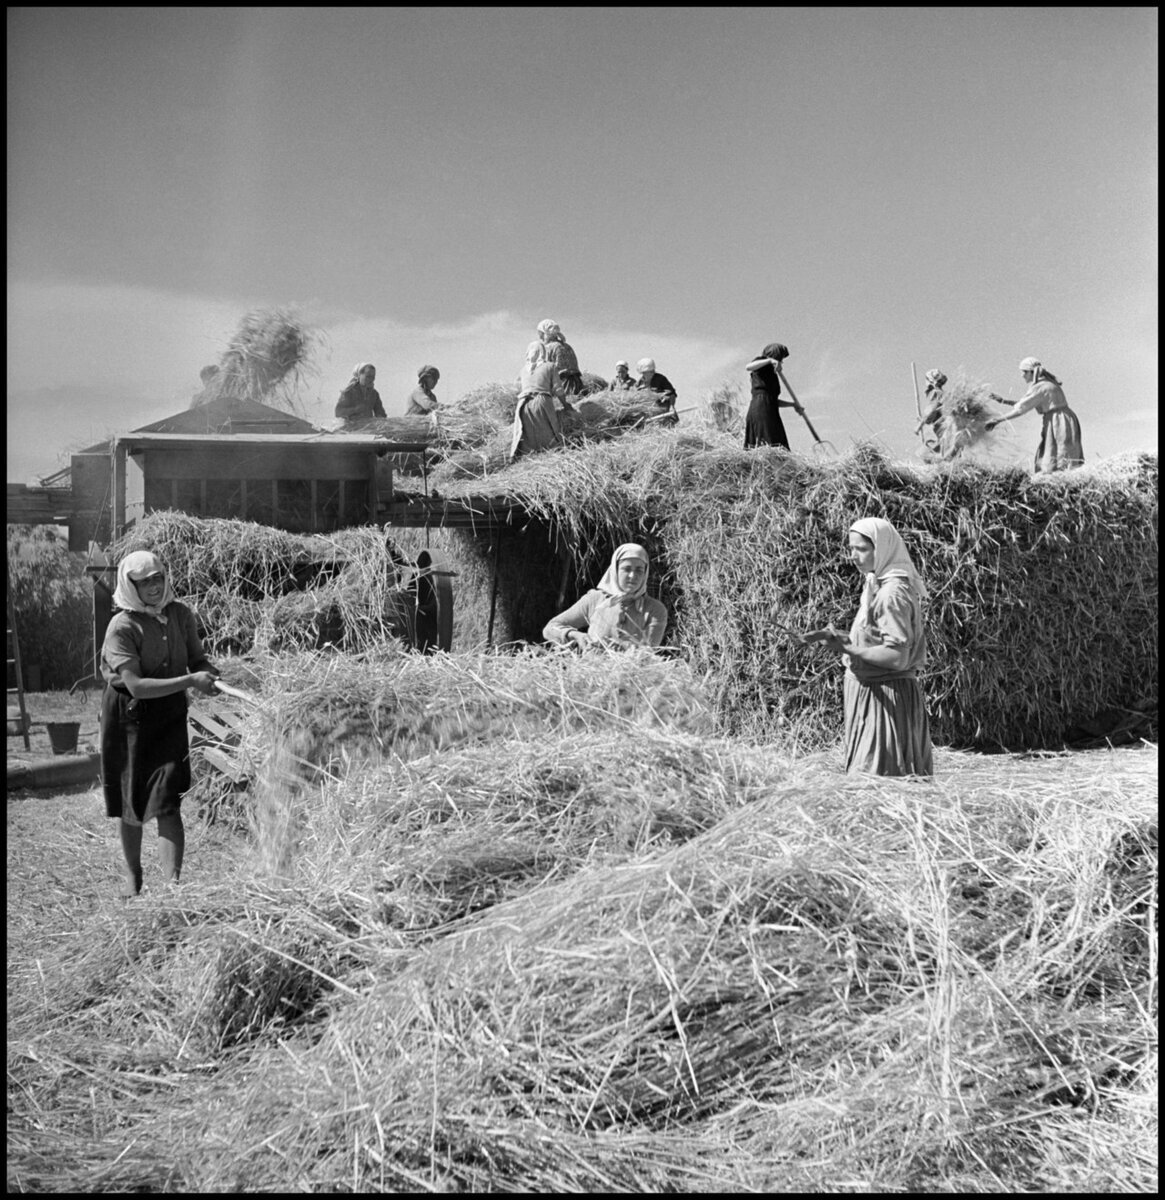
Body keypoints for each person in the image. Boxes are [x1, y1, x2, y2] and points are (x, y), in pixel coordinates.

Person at [99, 551, 220, 896]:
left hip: (168, 714)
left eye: (158, 577)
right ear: (129, 585)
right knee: (132, 800)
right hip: (130, 715)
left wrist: (208, 672)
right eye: (145, 581)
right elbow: (135, 684)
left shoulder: (180, 614)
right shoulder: (122, 627)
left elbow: (196, 659)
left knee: (168, 797)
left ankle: (173, 888)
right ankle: (133, 874)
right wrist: (189, 682)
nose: (154, 586)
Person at [800, 518, 933, 777]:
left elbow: (896, 656)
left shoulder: (890, 594)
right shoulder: (877, 584)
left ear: (881, 548)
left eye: (861, 549)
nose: (853, 556)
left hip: (885, 701)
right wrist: (835, 636)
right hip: (872, 695)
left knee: (878, 781)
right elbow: (876, 639)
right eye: (851, 548)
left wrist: (848, 650)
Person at [543, 543, 669, 649]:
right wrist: (575, 635)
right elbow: (550, 628)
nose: (632, 575)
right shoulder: (595, 600)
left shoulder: (655, 610)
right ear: (615, 570)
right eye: (626, 569)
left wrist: (605, 646)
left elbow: (645, 652)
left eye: (639, 570)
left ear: (645, 573)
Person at [985, 358, 1083, 472]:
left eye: (1024, 372)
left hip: (1058, 422)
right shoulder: (1049, 384)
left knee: (1057, 456)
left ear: (1032, 372)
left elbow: (1021, 409)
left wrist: (997, 420)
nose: (1022, 376)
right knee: (1062, 453)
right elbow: (1028, 403)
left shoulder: (1040, 387)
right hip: (1066, 419)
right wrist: (1003, 401)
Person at [510, 345, 569, 459]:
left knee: (527, 436)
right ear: (543, 353)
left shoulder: (523, 370)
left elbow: (516, 387)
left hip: (523, 404)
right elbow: (558, 389)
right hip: (541, 401)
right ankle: (552, 457)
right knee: (550, 432)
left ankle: (527, 459)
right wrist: (566, 405)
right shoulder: (550, 366)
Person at [743, 343, 802, 449]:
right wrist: (770, 361)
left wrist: (792, 404)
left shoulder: (772, 374)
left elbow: (772, 400)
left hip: (770, 409)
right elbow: (748, 367)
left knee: (779, 446)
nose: (782, 362)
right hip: (761, 410)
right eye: (781, 358)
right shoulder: (761, 363)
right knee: (767, 445)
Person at [539, 320, 584, 397]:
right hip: (577, 384)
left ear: (544, 333)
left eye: (540, 333)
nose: (539, 336)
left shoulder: (549, 348)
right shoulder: (566, 346)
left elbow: (545, 371)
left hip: (562, 386)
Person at [914, 369, 948, 456]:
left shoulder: (936, 393)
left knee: (923, 454)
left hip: (945, 432)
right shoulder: (942, 394)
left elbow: (931, 410)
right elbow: (934, 414)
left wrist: (919, 425)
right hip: (947, 433)